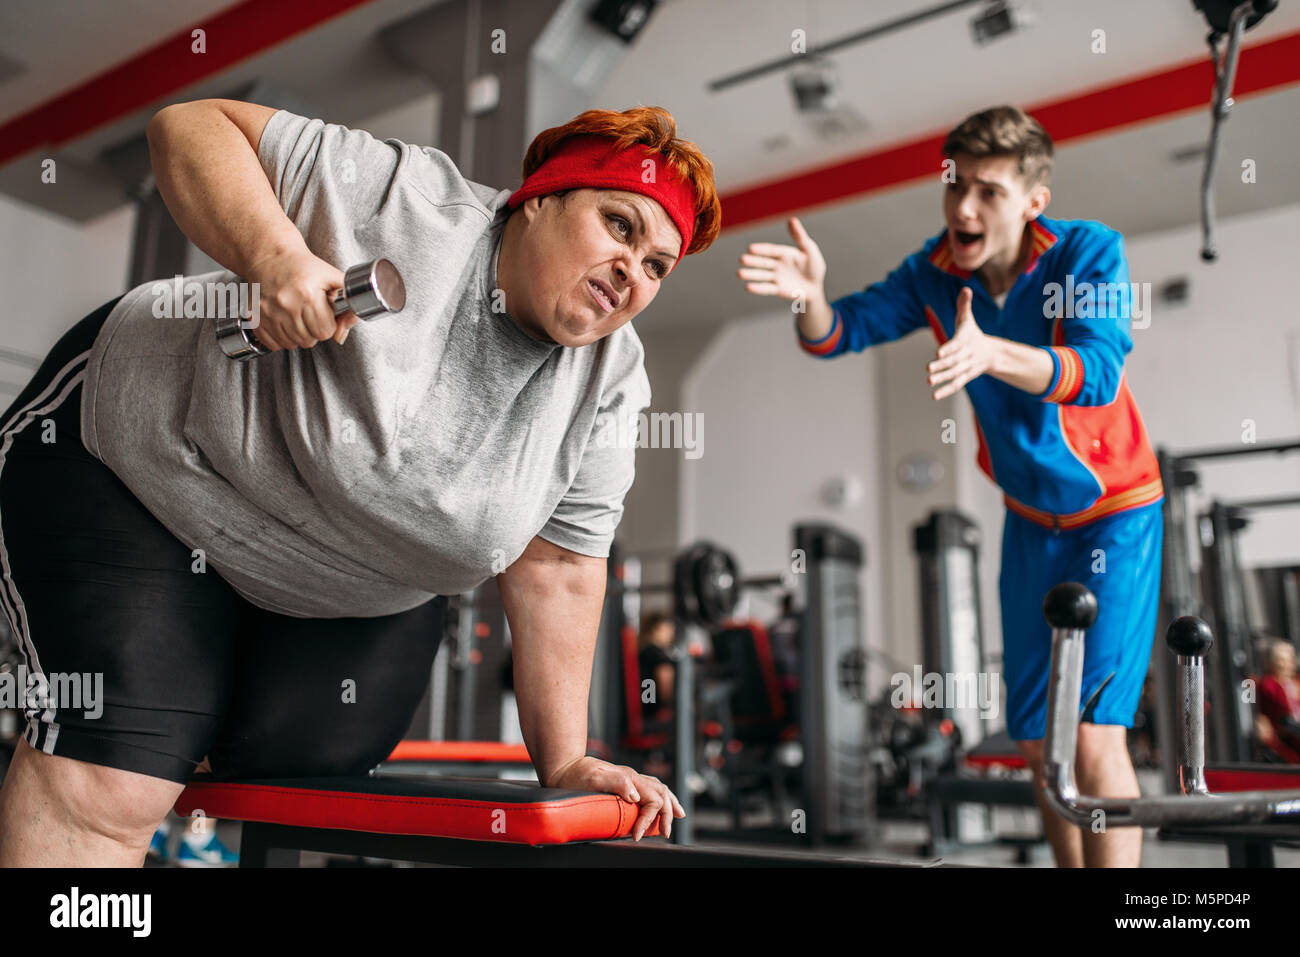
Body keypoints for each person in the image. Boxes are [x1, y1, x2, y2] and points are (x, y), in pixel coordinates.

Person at [0, 99, 720, 866]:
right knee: (119, 778)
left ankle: (172, 732)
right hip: (146, 467)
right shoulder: (403, 199)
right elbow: (187, 125)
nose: (631, 271)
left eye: (656, 266)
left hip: (345, 577)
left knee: (306, 762)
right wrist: (275, 256)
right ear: (539, 199)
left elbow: (560, 568)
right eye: (620, 225)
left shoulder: (613, 380)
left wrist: (567, 761)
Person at [736, 105, 1163, 868]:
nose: (963, 207)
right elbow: (840, 333)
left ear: (1034, 200)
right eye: (955, 185)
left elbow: (1098, 373)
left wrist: (991, 350)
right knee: (1037, 740)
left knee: (1092, 732)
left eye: (989, 191)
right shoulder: (932, 273)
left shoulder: (1088, 253)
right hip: (1030, 519)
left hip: (1116, 514)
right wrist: (810, 297)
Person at [1255, 638, 1300, 763]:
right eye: (1281, 660)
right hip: (1283, 742)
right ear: (1271, 662)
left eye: (1289, 660)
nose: (1285, 664)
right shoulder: (1267, 685)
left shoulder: (1297, 683)